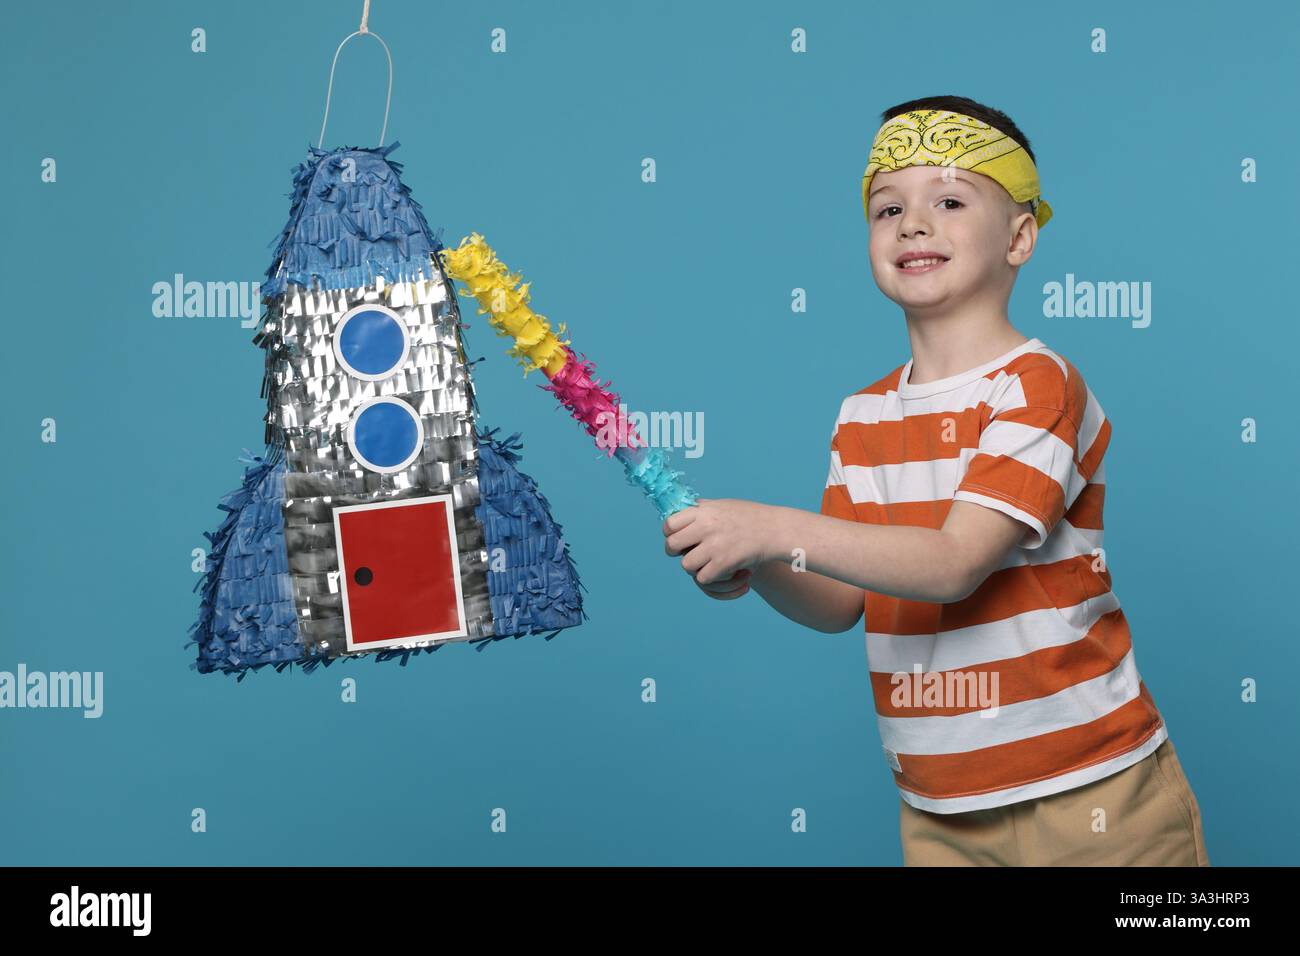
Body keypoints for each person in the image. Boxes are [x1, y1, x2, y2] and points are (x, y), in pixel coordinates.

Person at [662, 94, 1209, 866]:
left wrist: (774, 527)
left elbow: (954, 564)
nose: (912, 225)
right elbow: (837, 603)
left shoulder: (1037, 385)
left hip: (1093, 790)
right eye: (887, 209)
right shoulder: (862, 415)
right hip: (939, 807)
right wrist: (755, 564)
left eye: (949, 201)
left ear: (1020, 237)